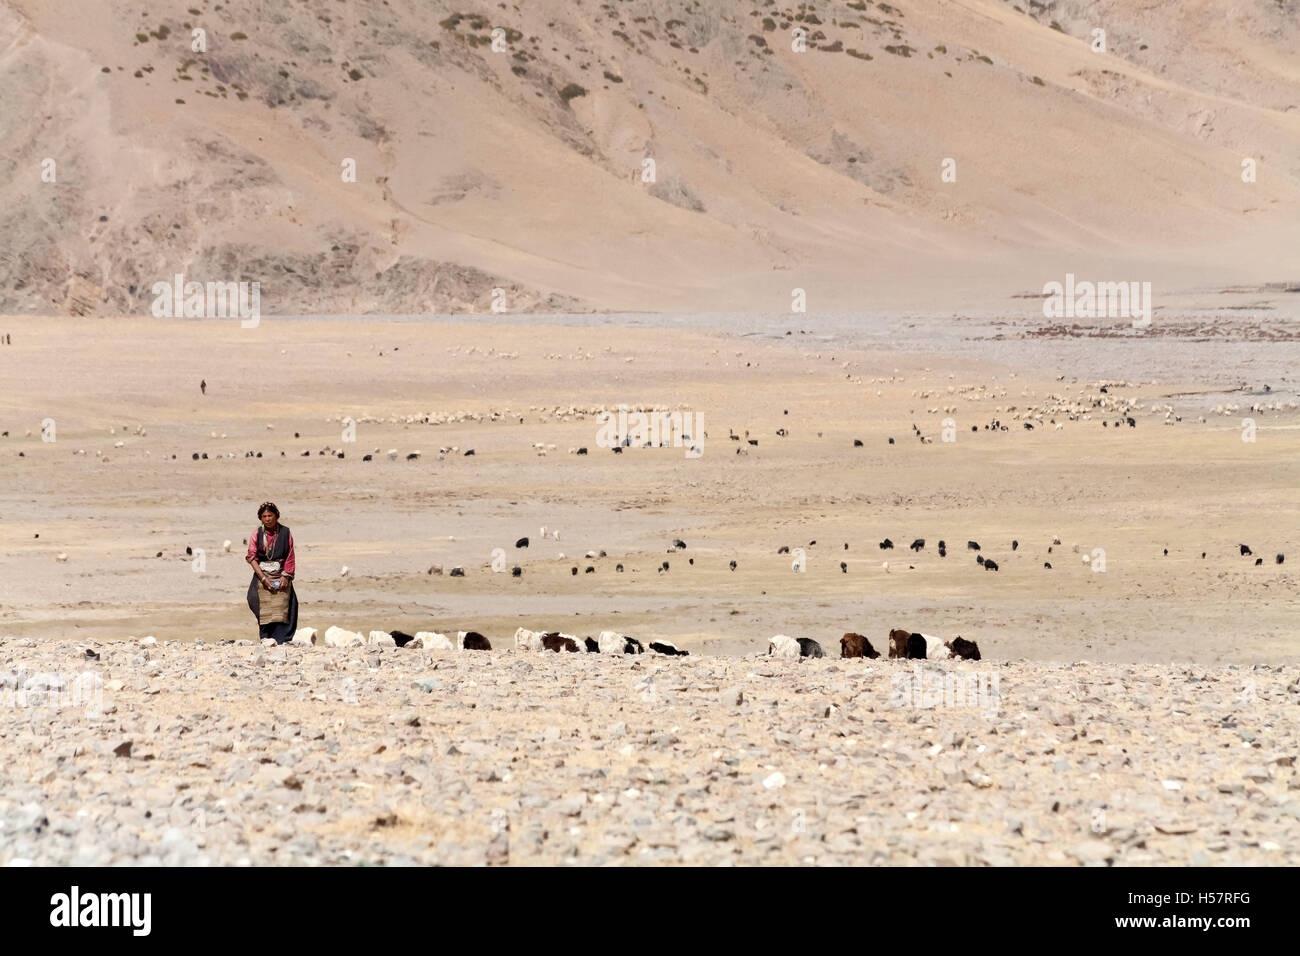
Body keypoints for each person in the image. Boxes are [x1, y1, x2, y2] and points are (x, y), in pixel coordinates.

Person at [245, 501, 298, 643]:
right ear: (260, 518)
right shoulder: (257, 534)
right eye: (264, 516)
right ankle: (266, 639)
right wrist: (262, 578)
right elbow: (251, 557)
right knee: (255, 601)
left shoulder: (286, 533)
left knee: (285, 608)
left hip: (281, 575)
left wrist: (286, 577)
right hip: (261, 575)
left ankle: (282, 641)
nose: (268, 519)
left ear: (277, 516)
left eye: (270, 515)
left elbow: (290, 555)